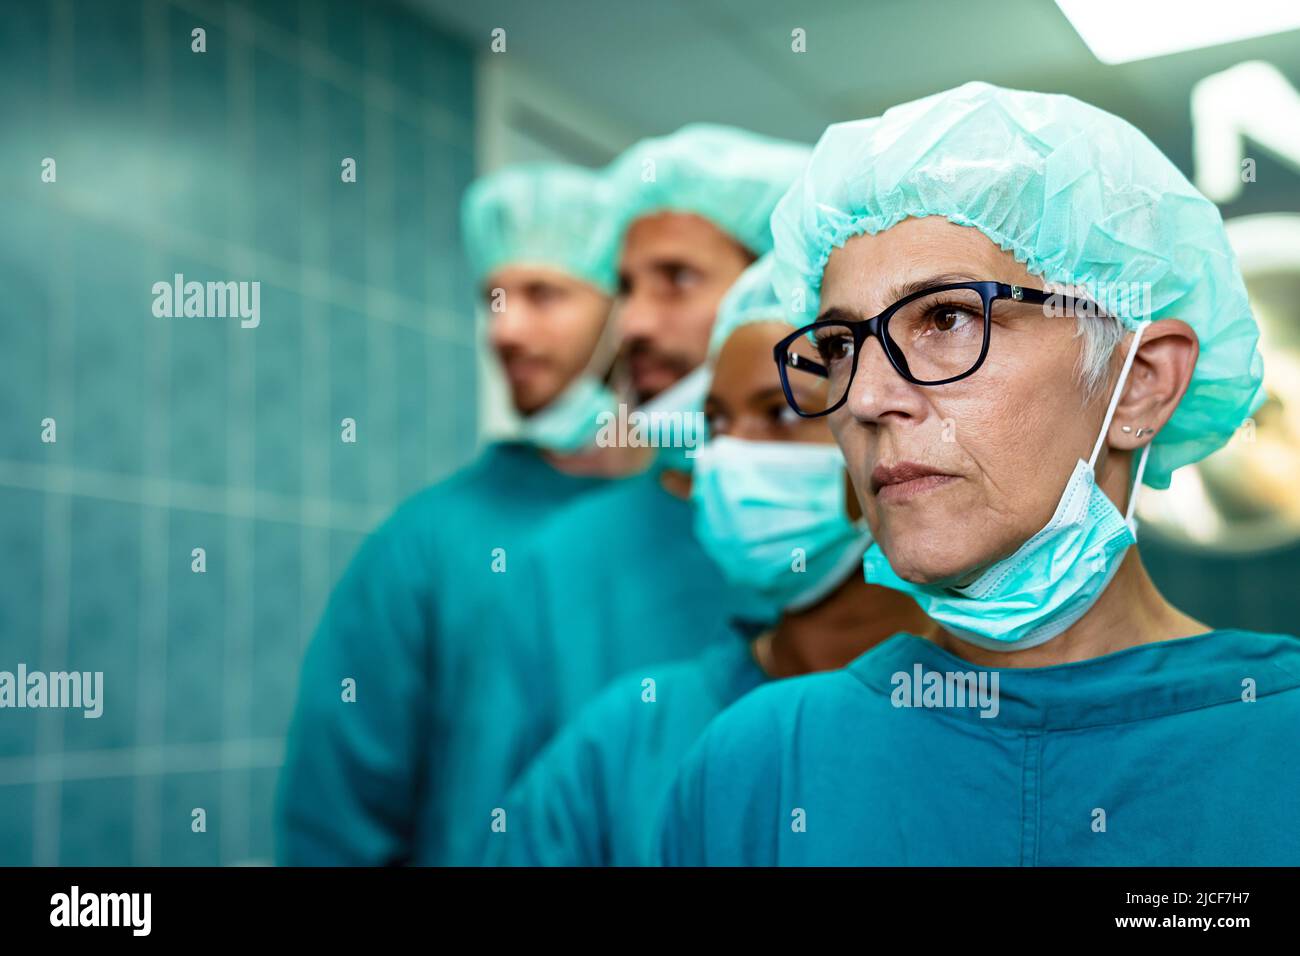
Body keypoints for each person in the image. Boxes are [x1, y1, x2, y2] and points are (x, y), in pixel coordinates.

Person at [657, 82, 1300, 866]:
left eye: (947, 319)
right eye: (837, 347)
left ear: (1140, 384)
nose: (863, 398)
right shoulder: (761, 765)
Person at [485, 255, 933, 866]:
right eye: (716, 423)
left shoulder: (980, 712)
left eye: (779, 413)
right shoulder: (627, 742)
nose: (729, 457)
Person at [276, 163, 636, 866]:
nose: (505, 330)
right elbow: (337, 810)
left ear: (626, 311)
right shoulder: (424, 544)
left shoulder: (699, 532)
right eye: (493, 299)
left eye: (544, 294)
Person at [500, 126, 812, 738]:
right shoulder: (564, 559)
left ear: (778, 285)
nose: (634, 323)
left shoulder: (888, 543)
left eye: (677, 277)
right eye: (624, 288)